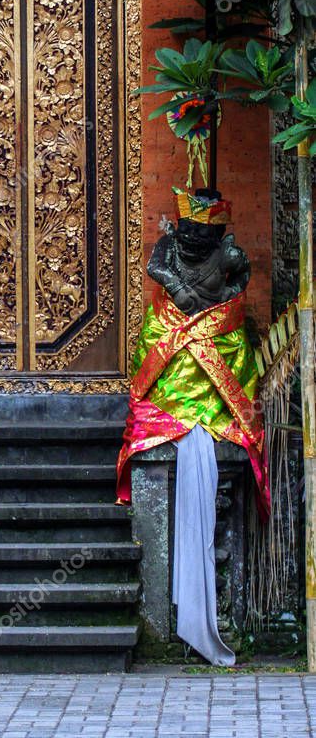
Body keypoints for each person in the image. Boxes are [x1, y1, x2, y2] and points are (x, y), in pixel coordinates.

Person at [116, 187, 268, 664]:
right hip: (173, 322)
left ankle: (213, 411)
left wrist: (227, 293)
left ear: (217, 231)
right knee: (167, 353)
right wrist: (178, 288)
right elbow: (156, 267)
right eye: (189, 230)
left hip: (213, 324)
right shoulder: (171, 247)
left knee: (219, 360)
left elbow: (242, 275)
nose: (194, 238)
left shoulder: (226, 253)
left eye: (203, 232)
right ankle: (167, 410)